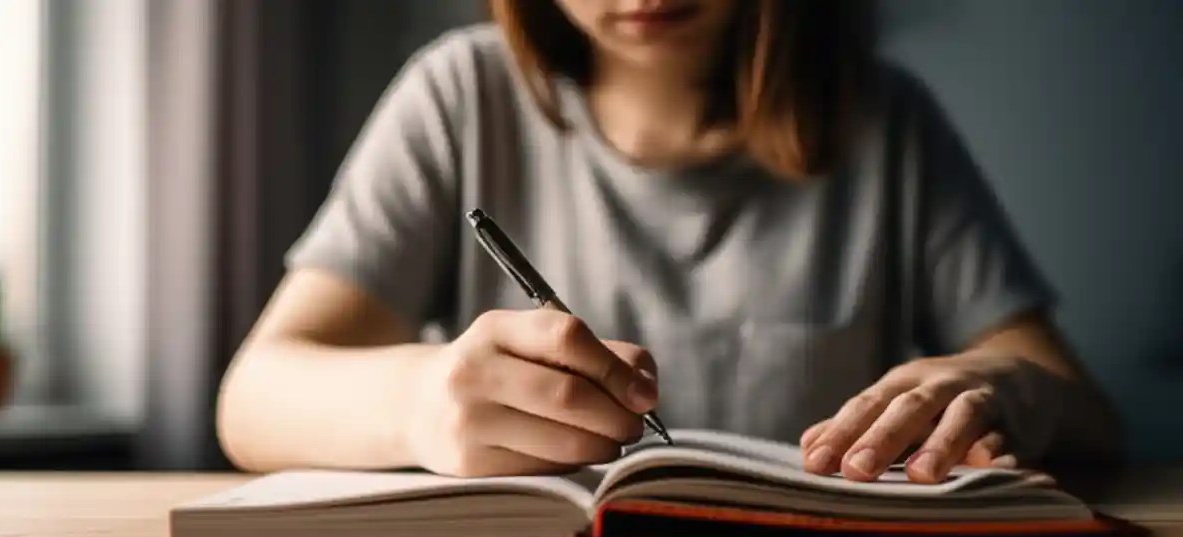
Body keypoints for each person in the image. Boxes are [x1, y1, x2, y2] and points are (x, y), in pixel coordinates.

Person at [217, 0, 1120, 483]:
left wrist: (1002, 385)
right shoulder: (461, 98)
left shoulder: (882, 122)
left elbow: (1087, 414)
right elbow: (253, 398)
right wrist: (419, 398)